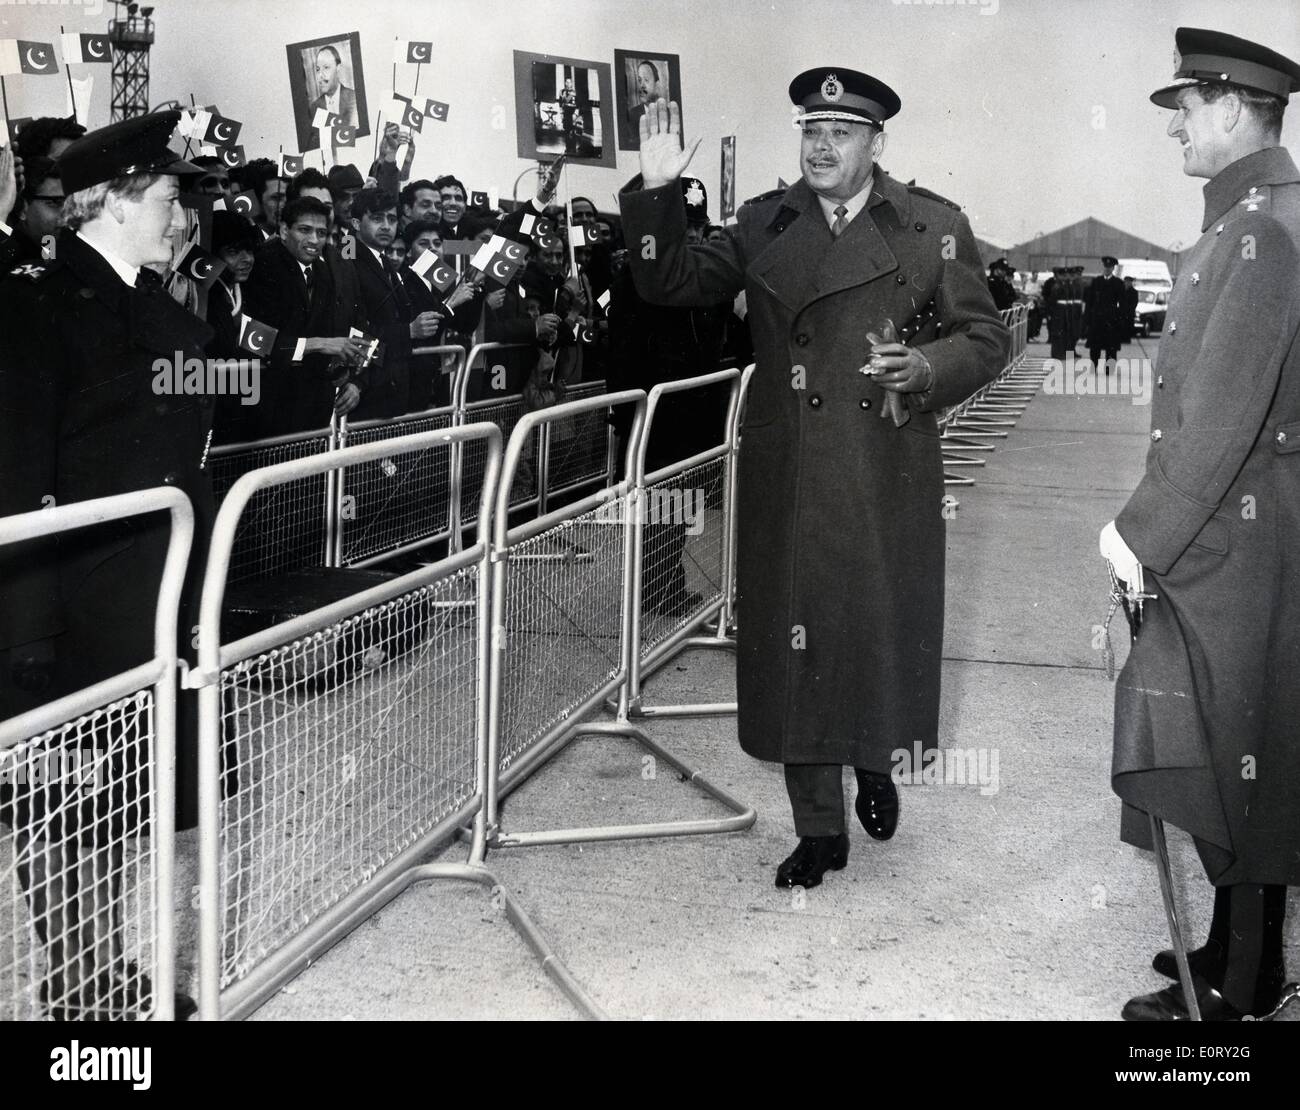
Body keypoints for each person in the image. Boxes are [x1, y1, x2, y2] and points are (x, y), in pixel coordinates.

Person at [620, 69, 1008, 889]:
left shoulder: (933, 226)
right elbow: (668, 280)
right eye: (811, 128)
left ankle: (875, 759)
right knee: (792, 637)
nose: (822, 143)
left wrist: (927, 367)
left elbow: (984, 336)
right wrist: (656, 194)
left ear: (876, 143)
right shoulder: (767, 222)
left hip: (883, 464)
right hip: (788, 462)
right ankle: (818, 831)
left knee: (871, 626)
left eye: (841, 130)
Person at [1101, 27, 1300, 1023]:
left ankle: (1246, 977)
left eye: (1185, 106)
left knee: (1248, 745)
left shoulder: (1262, 230)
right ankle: (1232, 945)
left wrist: (1139, 532)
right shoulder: (1248, 220)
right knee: (1235, 741)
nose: (1176, 124)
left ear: (1231, 108)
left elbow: (1220, 413)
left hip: (1245, 536)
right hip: (1238, 530)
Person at [0, 111, 208, 1020]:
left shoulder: (159, 305)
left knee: (134, 796)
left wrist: (288, 368)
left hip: (157, 595)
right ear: (117, 200)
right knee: (63, 804)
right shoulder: (32, 308)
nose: (181, 217)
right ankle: (79, 981)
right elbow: (14, 476)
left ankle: (114, 964)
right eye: (168, 198)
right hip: (72, 603)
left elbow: (212, 400)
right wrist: (26, 632)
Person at [607, 176, 731, 616]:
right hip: (654, 417)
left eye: (698, 227)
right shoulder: (637, 280)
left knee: (679, 509)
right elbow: (622, 356)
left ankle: (665, 585)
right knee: (658, 508)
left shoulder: (704, 280)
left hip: (692, 417)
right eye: (686, 226)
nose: (694, 235)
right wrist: (626, 416)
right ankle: (660, 590)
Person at [244, 195, 367, 435]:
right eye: (304, 230)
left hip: (312, 409)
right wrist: (318, 344)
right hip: (269, 410)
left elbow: (335, 334)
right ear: (283, 229)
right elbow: (255, 340)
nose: (314, 240)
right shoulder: (263, 266)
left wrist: (352, 380)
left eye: (321, 233)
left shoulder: (322, 270)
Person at [206, 210, 262, 444]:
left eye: (249, 250)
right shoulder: (205, 297)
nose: (246, 258)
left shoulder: (250, 293)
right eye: (233, 252)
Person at [1084, 255, 1126, 373]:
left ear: (1113, 269)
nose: (1107, 269)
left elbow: (1122, 303)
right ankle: (1094, 366)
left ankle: (1109, 369)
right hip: (1097, 319)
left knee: (1111, 347)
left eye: (1110, 267)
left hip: (1111, 320)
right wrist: (1087, 319)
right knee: (1095, 346)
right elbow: (1089, 302)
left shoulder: (1118, 283)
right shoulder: (1096, 281)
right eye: (1105, 267)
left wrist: (1120, 319)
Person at [309, 45, 358, 129]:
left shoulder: (354, 98)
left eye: (326, 67)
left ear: (338, 68)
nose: (320, 75)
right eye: (317, 69)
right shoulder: (314, 108)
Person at [629, 60, 663, 131]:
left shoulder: (668, 114)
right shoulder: (631, 115)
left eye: (646, 80)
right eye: (639, 80)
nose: (641, 85)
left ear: (657, 85)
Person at [1121, 275, 1140, 343]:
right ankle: (1121, 338)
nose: (1127, 283)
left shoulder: (1134, 292)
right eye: (1126, 282)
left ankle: (1127, 338)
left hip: (1129, 312)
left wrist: (1130, 310)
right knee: (1121, 325)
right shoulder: (1121, 291)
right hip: (1121, 312)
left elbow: (1135, 302)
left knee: (1128, 326)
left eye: (1129, 282)